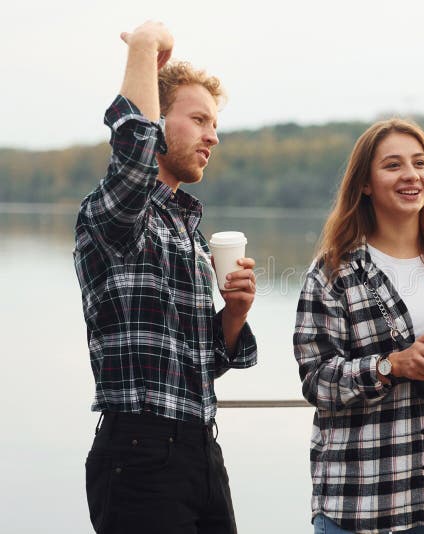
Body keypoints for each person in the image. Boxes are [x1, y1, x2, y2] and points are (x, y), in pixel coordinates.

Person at [74, 21, 258, 533]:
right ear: (159, 124)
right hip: (138, 454)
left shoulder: (190, 233)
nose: (212, 137)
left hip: (201, 451)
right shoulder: (114, 216)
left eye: (214, 123)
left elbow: (204, 365)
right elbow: (134, 152)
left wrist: (236, 314)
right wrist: (144, 45)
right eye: (198, 120)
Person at [293, 118, 424, 533]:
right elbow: (315, 381)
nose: (410, 175)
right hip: (361, 494)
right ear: (366, 183)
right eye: (393, 165)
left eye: (419, 163)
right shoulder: (333, 271)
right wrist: (391, 366)